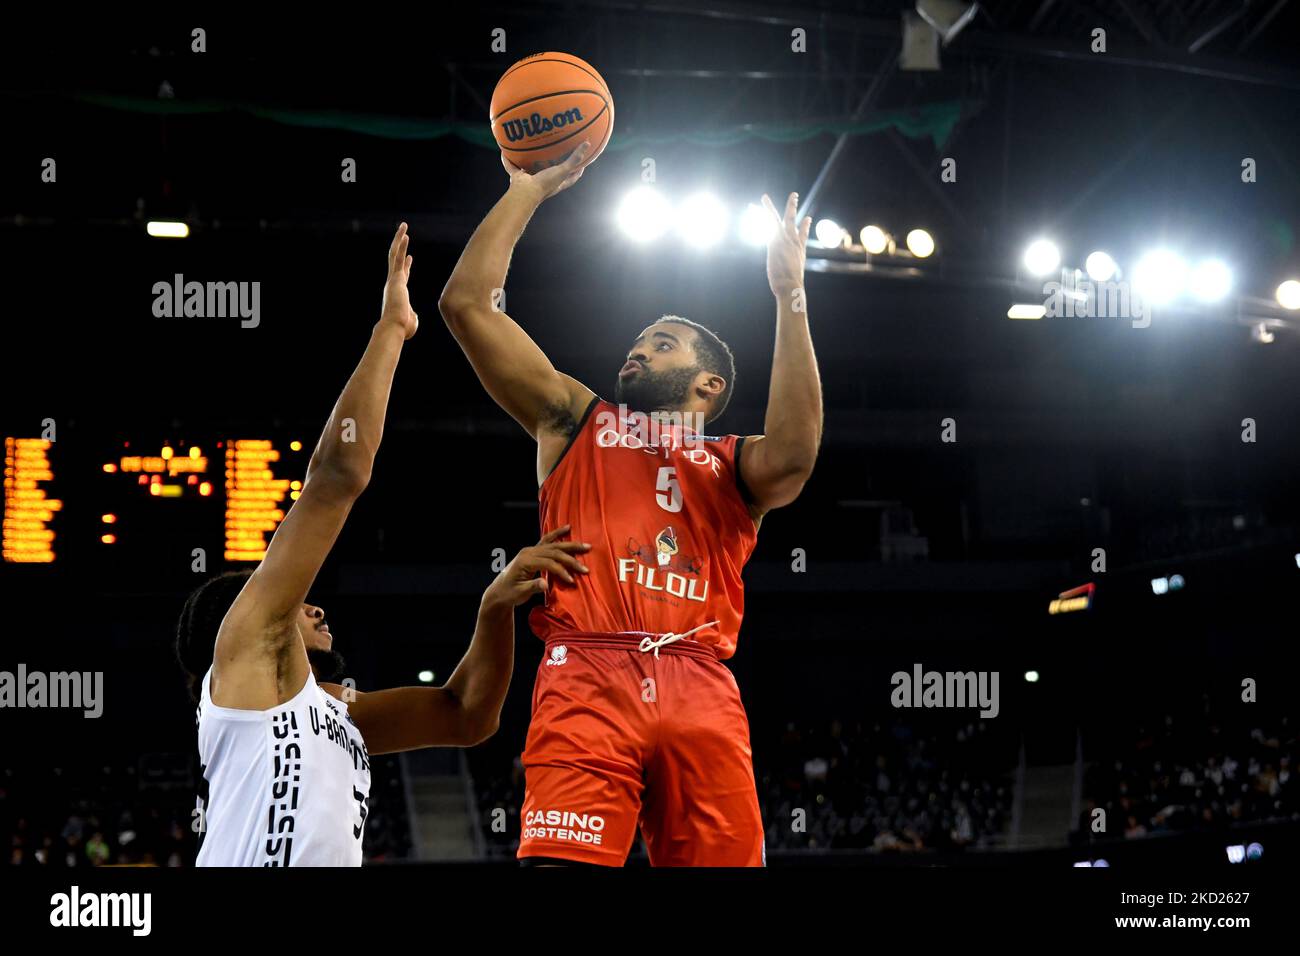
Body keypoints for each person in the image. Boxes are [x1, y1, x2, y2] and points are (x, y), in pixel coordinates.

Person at [438, 145, 822, 866]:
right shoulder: (575, 419)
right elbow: (465, 306)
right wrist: (525, 192)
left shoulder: (735, 465)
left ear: (709, 385)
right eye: (639, 341)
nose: (638, 351)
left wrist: (789, 295)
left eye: (663, 344)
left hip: (700, 679)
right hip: (586, 673)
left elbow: (797, 454)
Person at [175, 224, 590, 865]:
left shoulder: (339, 714)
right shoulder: (247, 660)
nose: (313, 609)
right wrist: (391, 329)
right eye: (295, 607)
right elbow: (337, 477)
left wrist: (493, 612)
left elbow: (465, 716)